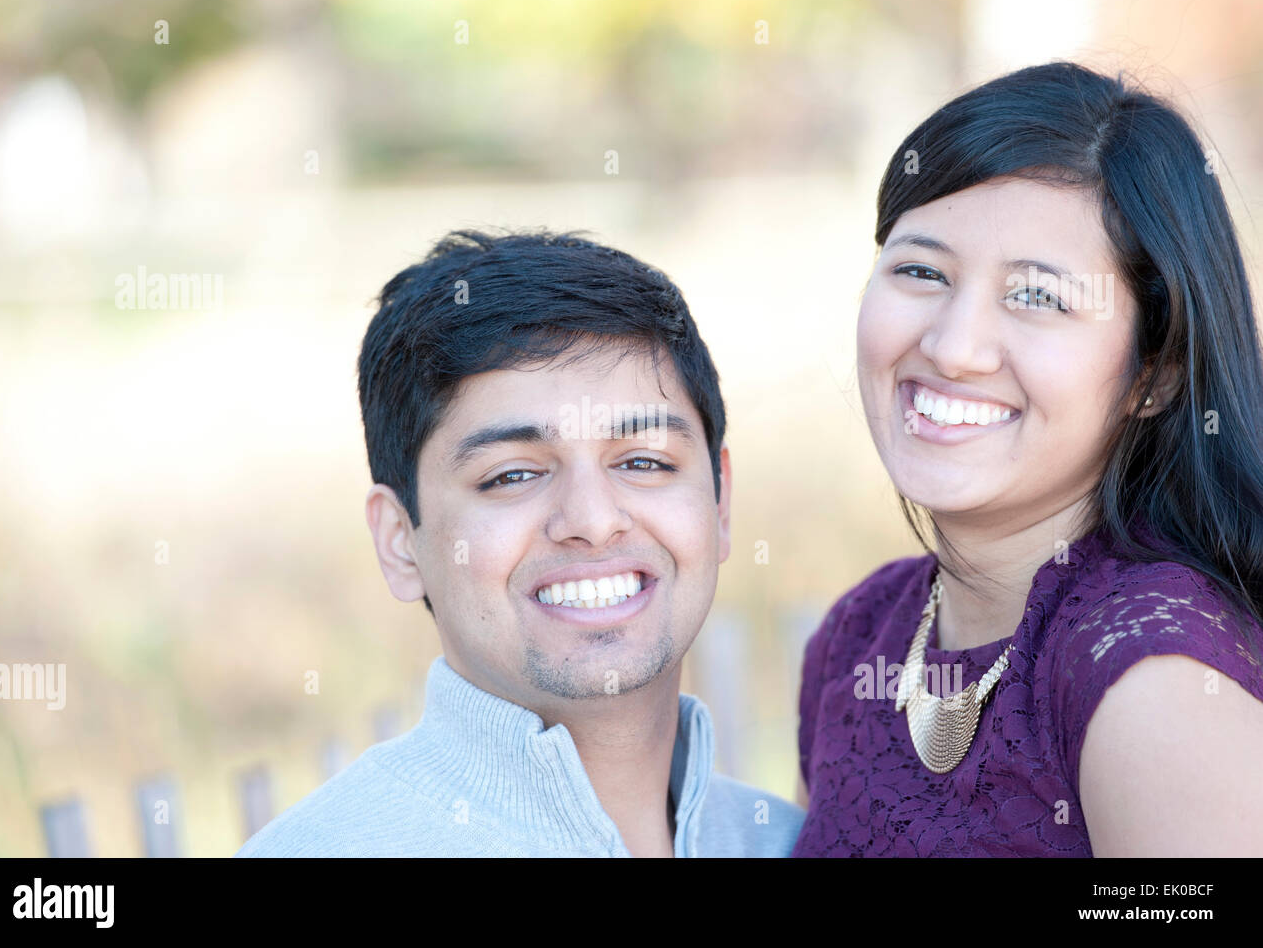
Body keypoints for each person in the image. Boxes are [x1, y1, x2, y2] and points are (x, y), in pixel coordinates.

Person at [795, 61, 1263, 856]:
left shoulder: (1153, 680)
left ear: (1153, 374)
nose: (953, 346)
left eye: (1038, 296)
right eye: (920, 270)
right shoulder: (859, 637)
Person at [238, 229, 804, 857]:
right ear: (400, 542)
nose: (593, 519)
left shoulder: (797, 846)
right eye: (512, 475)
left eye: (644, 461)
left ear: (719, 503)